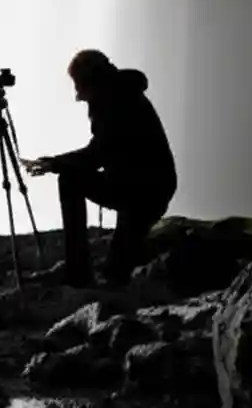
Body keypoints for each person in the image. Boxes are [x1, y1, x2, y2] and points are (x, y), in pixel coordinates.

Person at [25, 49, 177, 288]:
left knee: (69, 180)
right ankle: (87, 274)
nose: (77, 95)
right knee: (116, 273)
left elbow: (97, 154)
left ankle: (78, 274)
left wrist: (54, 163)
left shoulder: (112, 99)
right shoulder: (120, 92)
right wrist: (56, 161)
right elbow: (104, 151)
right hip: (146, 189)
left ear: (89, 80)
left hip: (141, 193)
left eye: (78, 85)